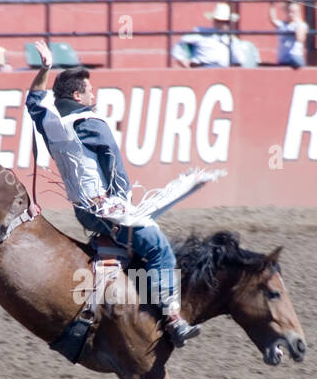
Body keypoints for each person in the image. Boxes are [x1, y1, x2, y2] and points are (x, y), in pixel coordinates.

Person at [26, 39, 200, 347]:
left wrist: (45, 68)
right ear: (79, 95)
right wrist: (126, 209)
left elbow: (34, 99)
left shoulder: (50, 121)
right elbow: (116, 169)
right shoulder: (91, 123)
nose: (93, 95)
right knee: (159, 249)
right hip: (104, 211)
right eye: (90, 91)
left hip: (81, 209)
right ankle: (172, 319)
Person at [171, 1, 244, 68]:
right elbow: (180, 43)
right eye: (219, 21)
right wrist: (182, 60)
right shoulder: (201, 33)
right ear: (214, 21)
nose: (222, 24)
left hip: (223, 71)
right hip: (203, 68)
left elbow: (239, 59)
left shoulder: (232, 40)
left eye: (225, 22)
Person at [270, 0, 307, 68]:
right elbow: (273, 20)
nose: (290, 14)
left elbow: (300, 38)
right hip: (282, 58)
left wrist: (297, 21)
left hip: (294, 57)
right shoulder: (282, 24)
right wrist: (272, 6)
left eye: (293, 12)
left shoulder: (301, 25)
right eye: (288, 12)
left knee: (297, 61)